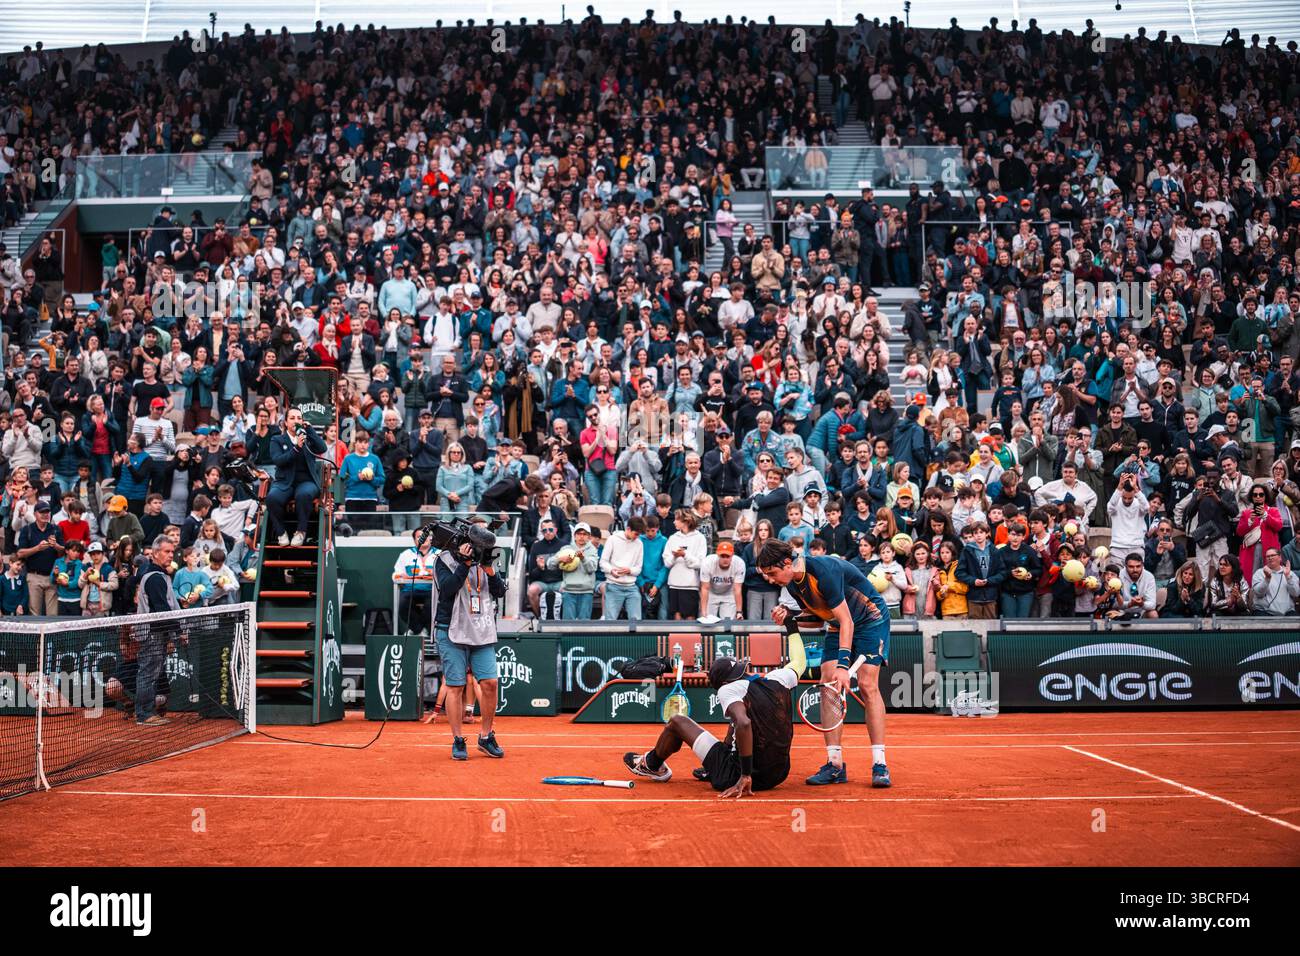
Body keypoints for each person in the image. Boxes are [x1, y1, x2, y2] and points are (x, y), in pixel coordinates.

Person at [756, 538, 892, 788]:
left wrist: (843, 666)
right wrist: (790, 617)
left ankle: (879, 763)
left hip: (870, 619)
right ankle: (835, 764)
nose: (771, 580)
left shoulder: (824, 571)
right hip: (838, 623)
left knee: (867, 684)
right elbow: (818, 619)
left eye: (772, 573)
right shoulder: (793, 585)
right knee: (827, 684)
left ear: (787, 563)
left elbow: (848, 621)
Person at [623, 636, 808, 798]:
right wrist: (791, 624)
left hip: (735, 775)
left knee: (677, 721)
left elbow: (743, 723)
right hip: (778, 774)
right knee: (738, 719)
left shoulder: (728, 689)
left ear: (725, 683)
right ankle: (713, 768)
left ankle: (651, 764)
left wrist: (745, 775)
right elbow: (800, 661)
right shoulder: (779, 678)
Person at [432, 522, 506, 761]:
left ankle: (486, 736)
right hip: (450, 628)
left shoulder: (486, 560)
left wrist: (488, 569)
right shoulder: (443, 559)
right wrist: (464, 564)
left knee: (490, 683)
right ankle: (457, 739)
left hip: (481, 628)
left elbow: (500, 591)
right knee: (455, 686)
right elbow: (447, 588)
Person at [133, 535, 181, 726]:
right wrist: (178, 631)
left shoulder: (161, 576)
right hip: (152, 633)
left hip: (158, 632)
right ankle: (144, 714)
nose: (171, 555)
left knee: (152, 673)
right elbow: (162, 609)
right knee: (147, 673)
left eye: (172, 552)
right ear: (154, 553)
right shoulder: (154, 578)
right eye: (166, 551)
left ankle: (147, 711)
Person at [267, 408, 327, 546]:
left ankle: (301, 532)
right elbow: (278, 460)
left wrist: (310, 431)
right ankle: (281, 532)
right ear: (286, 422)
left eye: (299, 418)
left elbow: (322, 448)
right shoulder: (277, 439)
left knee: (304, 495)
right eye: (292, 418)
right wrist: (296, 448)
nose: (296, 421)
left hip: (307, 481)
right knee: (272, 498)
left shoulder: (307, 437)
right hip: (284, 482)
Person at [392, 528, 438, 634]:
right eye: (419, 536)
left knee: (432, 604)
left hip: (432, 590)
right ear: (414, 540)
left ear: (431, 538)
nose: (423, 538)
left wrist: (435, 573)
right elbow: (395, 574)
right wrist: (401, 575)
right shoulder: (405, 555)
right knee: (403, 605)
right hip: (410, 590)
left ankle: (420, 630)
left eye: (426, 535)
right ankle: (420, 630)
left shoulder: (439, 554)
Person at [600, 516, 645, 620]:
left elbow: (638, 568)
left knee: (636, 621)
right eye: (636, 534)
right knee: (610, 621)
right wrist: (611, 571)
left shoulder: (639, 544)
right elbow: (603, 562)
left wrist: (630, 571)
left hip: (631, 587)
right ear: (628, 529)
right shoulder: (612, 539)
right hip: (613, 585)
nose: (637, 537)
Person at [699, 540, 745, 619]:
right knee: (707, 622)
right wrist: (703, 611)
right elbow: (704, 588)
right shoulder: (707, 563)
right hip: (711, 593)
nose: (725, 559)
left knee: (728, 622)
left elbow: (737, 589)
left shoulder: (739, 563)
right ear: (717, 555)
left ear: (732, 555)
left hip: (729, 594)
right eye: (722, 556)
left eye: (727, 556)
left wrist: (739, 612)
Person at [1249, 548, 1299, 616]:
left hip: (1287, 612)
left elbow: (1296, 593)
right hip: (1264, 612)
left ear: (1280, 557)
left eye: (1272, 555)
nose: (1270, 558)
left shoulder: (1290, 573)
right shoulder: (1259, 573)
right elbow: (1258, 593)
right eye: (1268, 556)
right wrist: (1267, 579)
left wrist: (1288, 577)